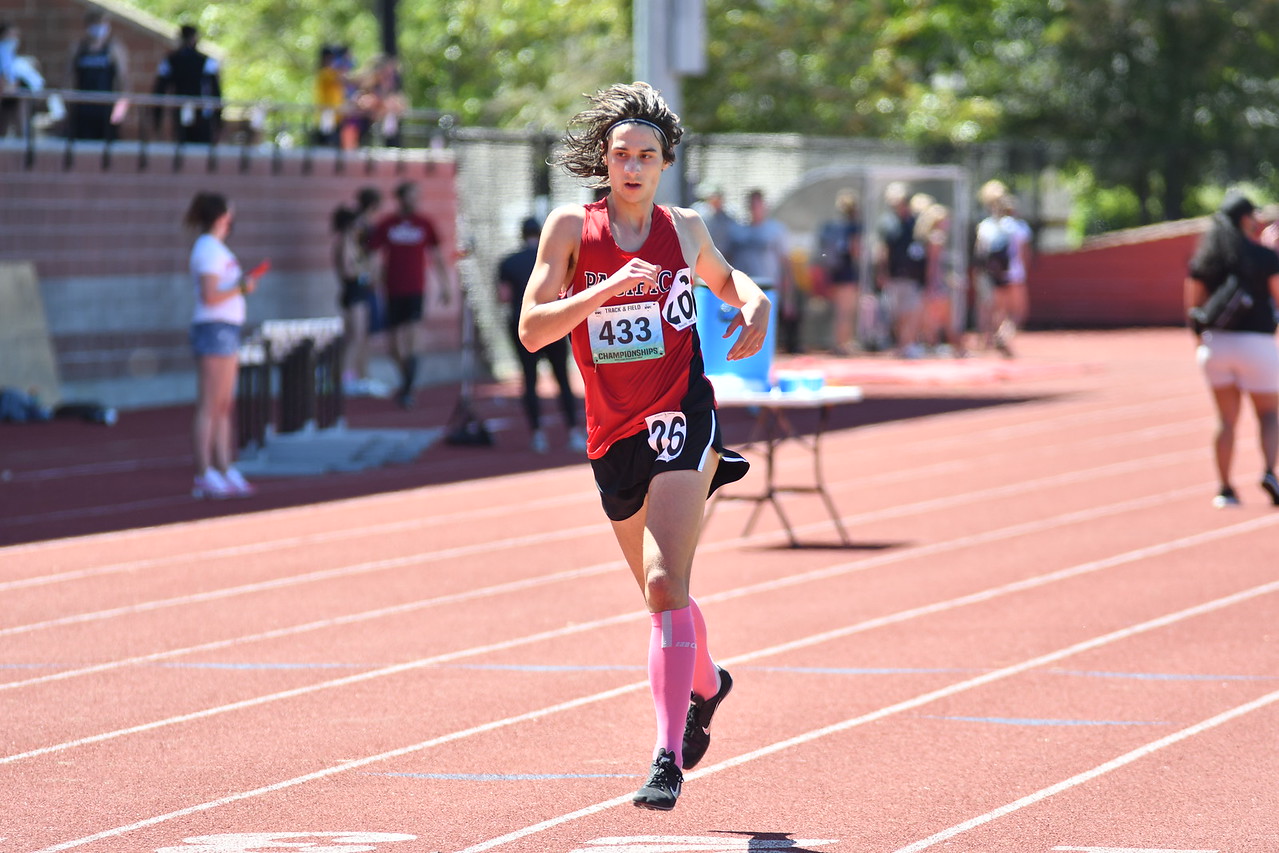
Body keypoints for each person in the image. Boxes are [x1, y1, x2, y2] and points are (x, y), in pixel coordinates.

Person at [518, 81, 770, 812]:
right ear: (604, 160)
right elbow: (533, 331)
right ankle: (709, 681)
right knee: (661, 591)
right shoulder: (570, 229)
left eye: (646, 156)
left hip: (681, 418)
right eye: (621, 154)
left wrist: (750, 303)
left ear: (664, 166)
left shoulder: (685, 229)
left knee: (664, 583)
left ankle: (665, 757)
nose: (632, 166)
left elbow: (729, 282)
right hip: (612, 432)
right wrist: (602, 291)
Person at [1184, 190, 1279, 509]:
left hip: (1216, 345)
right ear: (1245, 219)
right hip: (1258, 344)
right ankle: (1269, 471)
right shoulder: (1265, 257)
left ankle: (1225, 488)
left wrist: (1202, 346)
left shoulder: (1205, 258)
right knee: (1268, 413)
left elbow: (1193, 308)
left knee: (1225, 419)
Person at [184, 191, 266, 500]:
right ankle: (204, 471)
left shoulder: (218, 249)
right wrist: (241, 287)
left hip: (227, 328)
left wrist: (240, 286)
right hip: (213, 328)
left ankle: (224, 465)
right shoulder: (207, 249)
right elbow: (210, 295)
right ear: (221, 216)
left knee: (224, 404)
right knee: (210, 403)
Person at [496, 217, 587, 453]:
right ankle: (573, 431)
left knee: (529, 378)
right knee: (562, 378)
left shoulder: (509, 262)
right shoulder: (555, 257)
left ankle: (537, 435)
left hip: (524, 324)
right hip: (554, 321)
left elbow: (503, 296)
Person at [365, 180, 451, 409]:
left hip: (416, 289)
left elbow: (437, 256)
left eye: (417, 196)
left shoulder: (425, 224)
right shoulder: (387, 225)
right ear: (401, 198)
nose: (415, 200)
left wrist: (445, 285)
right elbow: (373, 254)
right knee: (394, 346)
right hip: (392, 289)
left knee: (412, 339)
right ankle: (406, 380)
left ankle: (407, 389)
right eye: (410, 196)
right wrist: (372, 278)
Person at [731, 189, 793, 351]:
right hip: (742, 290)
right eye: (752, 205)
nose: (755, 208)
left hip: (767, 289)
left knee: (765, 331)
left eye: (758, 205)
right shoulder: (738, 231)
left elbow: (785, 263)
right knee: (742, 328)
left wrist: (789, 298)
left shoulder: (775, 230)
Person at [876, 181, 924, 357]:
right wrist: (882, 272)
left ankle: (907, 344)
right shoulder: (888, 223)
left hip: (912, 275)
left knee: (910, 311)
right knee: (896, 313)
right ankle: (900, 344)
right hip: (894, 275)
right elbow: (883, 250)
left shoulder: (915, 222)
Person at [151, 24, 221, 145]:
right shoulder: (204, 61)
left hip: (183, 108)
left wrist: (157, 117)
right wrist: (218, 119)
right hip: (200, 110)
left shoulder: (171, 60)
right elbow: (216, 91)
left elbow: (160, 89)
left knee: (183, 147)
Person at [68, 10, 128, 141]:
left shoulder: (113, 49)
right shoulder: (79, 48)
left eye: (103, 24)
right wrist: (67, 107)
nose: (100, 28)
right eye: (96, 23)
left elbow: (123, 80)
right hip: (83, 107)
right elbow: (69, 77)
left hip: (106, 107)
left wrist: (120, 110)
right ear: (88, 26)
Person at [816, 189, 863, 355]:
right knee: (846, 311)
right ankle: (842, 343)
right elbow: (856, 250)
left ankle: (840, 342)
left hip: (835, 272)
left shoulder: (835, 227)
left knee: (839, 311)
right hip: (847, 272)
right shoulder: (853, 227)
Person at [915, 202, 964, 356]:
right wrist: (933, 284)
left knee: (935, 318)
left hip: (936, 283)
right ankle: (949, 347)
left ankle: (934, 346)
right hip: (937, 284)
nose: (947, 223)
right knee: (943, 318)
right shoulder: (936, 238)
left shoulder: (930, 238)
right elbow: (934, 266)